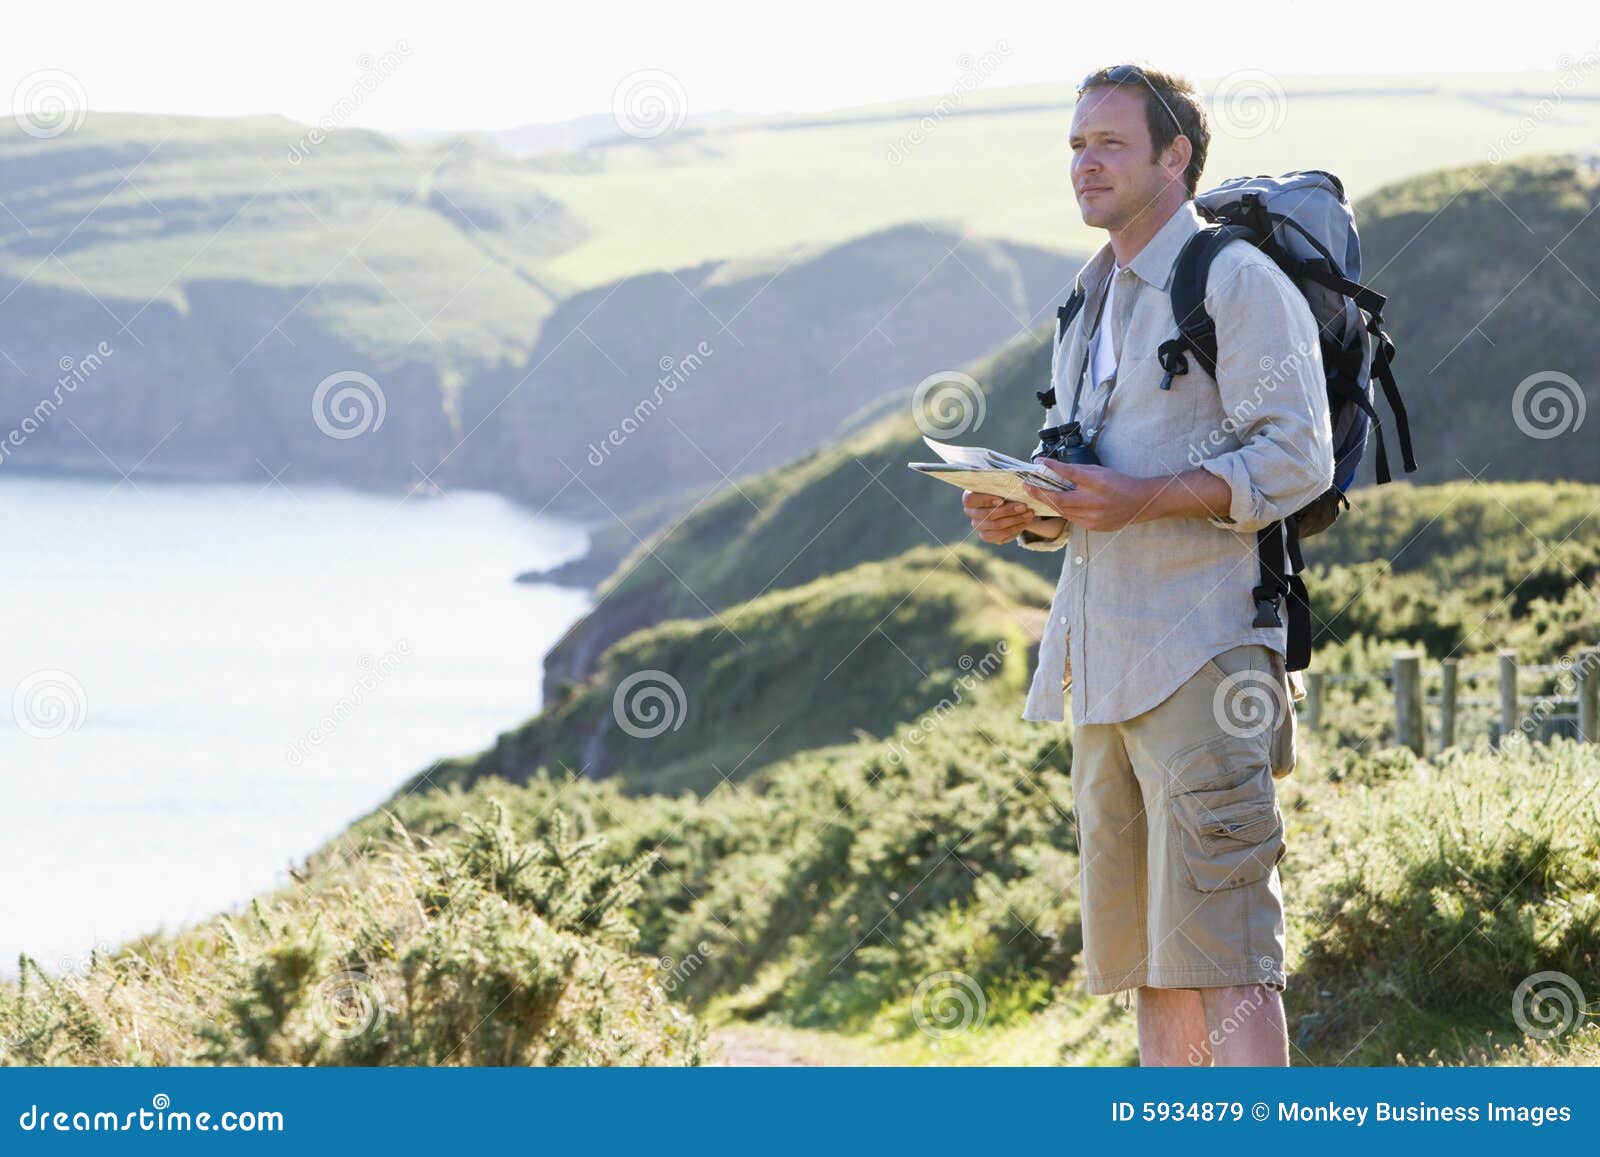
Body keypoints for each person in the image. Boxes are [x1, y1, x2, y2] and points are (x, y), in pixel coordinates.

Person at [962, 63, 1334, 1067]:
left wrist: (1145, 499)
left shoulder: (1233, 281)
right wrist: (1031, 513)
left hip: (1206, 661)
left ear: (1175, 156)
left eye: (1110, 143)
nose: (1086, 162)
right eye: (1077, 145)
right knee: (1149, 965)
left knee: (1226, 959)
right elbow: (1102, 474)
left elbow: (1300, 455)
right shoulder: (1086, 303)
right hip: (1102, 669)